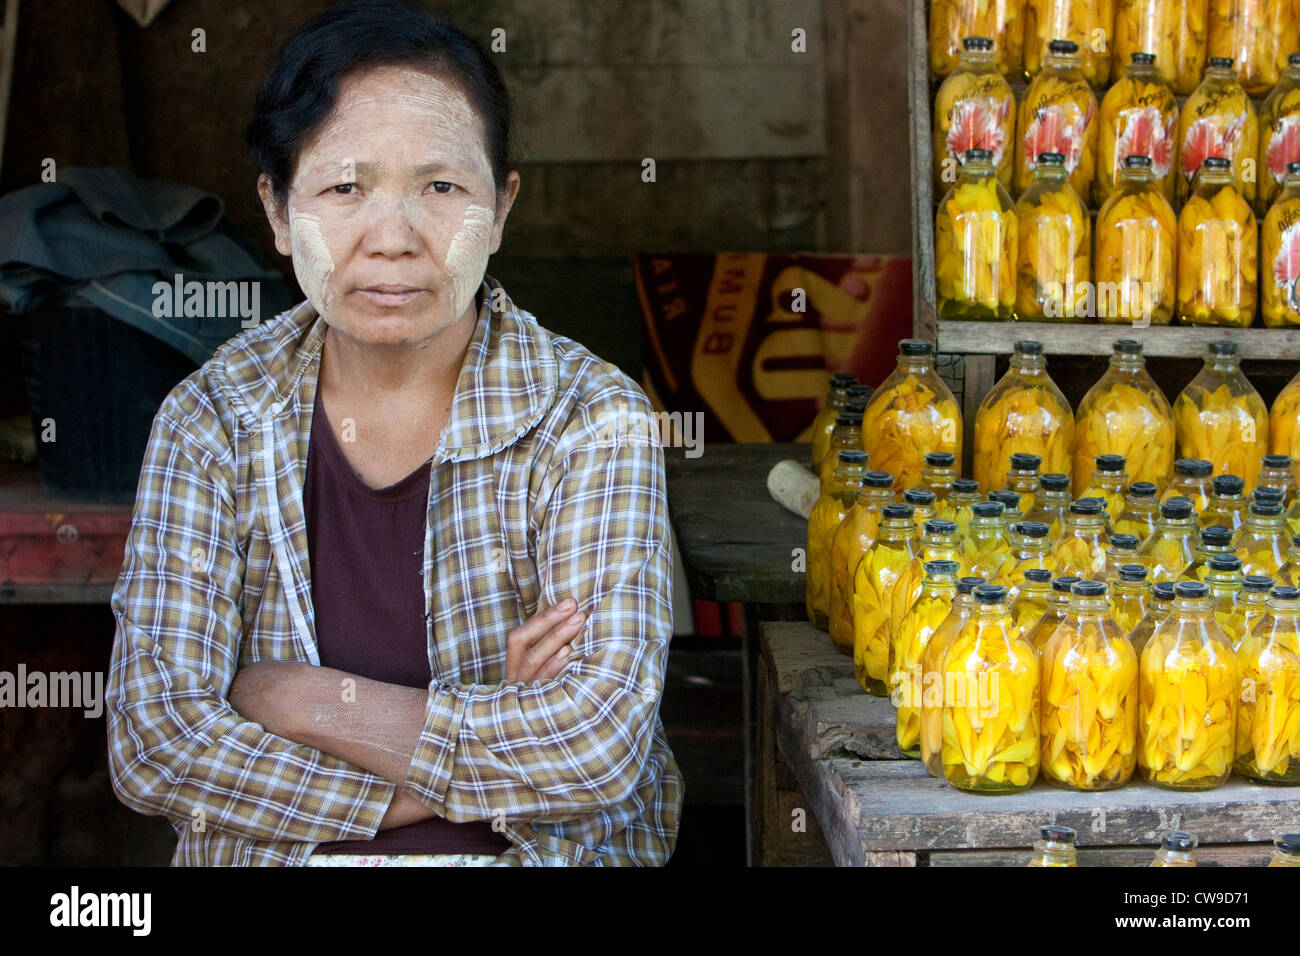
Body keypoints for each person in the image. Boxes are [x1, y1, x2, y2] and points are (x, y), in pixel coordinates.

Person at [105, 0, 683, 866]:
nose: (393, 239)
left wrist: (300, 703)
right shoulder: (213, 420)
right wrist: (451, 764)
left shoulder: (591, 421)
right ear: (274, 207)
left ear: (501, 207)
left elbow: (594, 749)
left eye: (441, 187)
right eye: (344, 188)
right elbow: (153, 744)